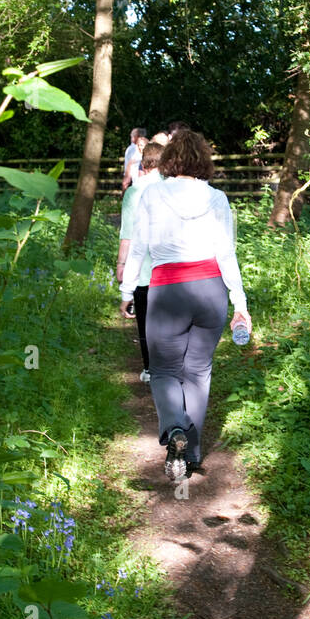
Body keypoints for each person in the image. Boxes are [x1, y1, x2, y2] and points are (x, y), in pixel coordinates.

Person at [119, 130, 251, 483]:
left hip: (168, 290)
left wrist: (127, 290)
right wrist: (240, 302)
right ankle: (189, 455)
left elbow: (140, 247)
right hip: (210, 290)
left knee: (163, 371)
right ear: (202, 161)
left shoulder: (151, 195)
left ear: (168, 160)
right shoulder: (217, 198)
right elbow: (226, 253)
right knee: (198, 371)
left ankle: (175, 428)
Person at [117, 141, 163, 382]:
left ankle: (150, 368)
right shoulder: (172, 188)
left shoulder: (134, 192)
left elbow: (127, 235)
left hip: (142, 271)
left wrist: (121, 266)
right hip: (168, 271)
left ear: (144, 164)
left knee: (145, 322)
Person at [122, 127, 147, 192]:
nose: (131, 138)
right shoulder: (133, 149)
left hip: (134, 179)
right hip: (133, 179)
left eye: (132, 136)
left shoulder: (133, 149)